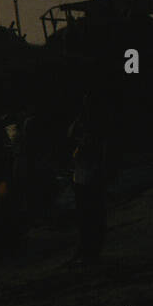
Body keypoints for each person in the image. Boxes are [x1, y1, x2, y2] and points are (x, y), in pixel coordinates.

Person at [69, 97, 109, 265]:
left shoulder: (95, 132)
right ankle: (87, 250)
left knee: (90, 216)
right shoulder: (84, 127)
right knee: (87, 217)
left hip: (89, 177)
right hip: (83, 177)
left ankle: (89, 252)